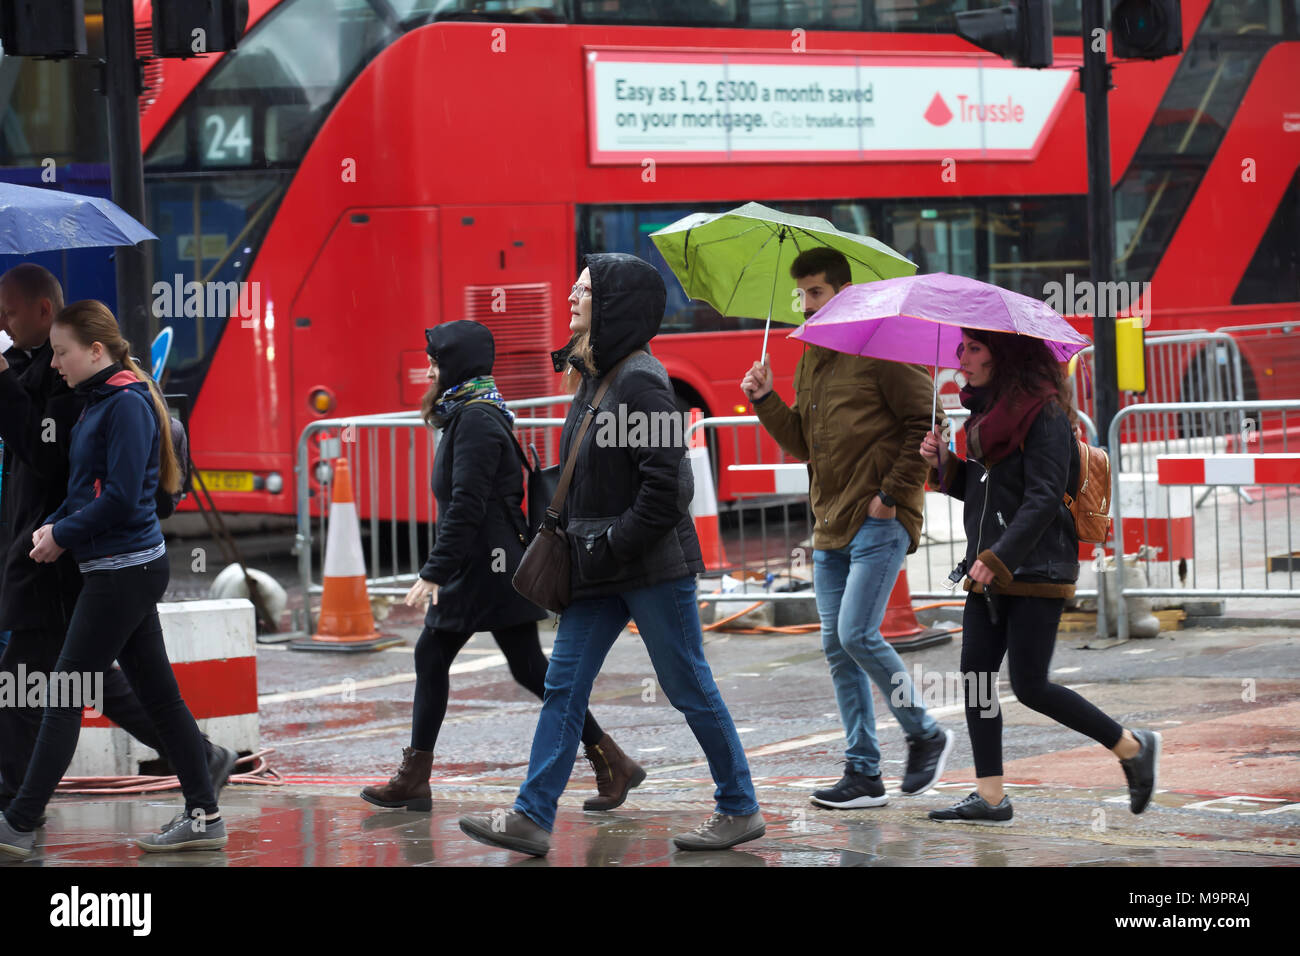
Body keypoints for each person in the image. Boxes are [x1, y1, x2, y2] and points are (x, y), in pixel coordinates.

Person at [459, 253, 764, 856]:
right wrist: (592, 547)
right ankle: (532, 816)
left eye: (584, 289)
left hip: (649, 568)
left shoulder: (641, 380)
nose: (570, 297)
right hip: (596, 566)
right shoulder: (598, 374)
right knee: (563, 687)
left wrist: (613, 544)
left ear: (616, 305)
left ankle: (739, 807)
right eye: (573, 286)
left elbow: (668, 490)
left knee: (687, 687)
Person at [361, 319, 643, 813]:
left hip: (485, 569)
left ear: (456, 364)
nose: (427, 369)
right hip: (490, 564)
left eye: (434, 360)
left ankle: (416, 777)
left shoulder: (474, 419)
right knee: (528, 669)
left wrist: (434, 571)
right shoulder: (472, 412)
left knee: (441, 656)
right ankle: (609, 759)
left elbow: (468, 506)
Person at [0, 267, 235, 828]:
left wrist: (59, 532)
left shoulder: (117, 402)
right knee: (134, 689)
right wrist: (55, 525)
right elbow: (79, 486)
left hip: (106, 569)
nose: (55, 362)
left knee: (51, 690)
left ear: (90, 347)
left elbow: (119, 494)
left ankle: (18, 815)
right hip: (93, 564)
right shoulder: (91, 393)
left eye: (62, 351)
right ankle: (203, 792)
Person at [919, 328, 1160, 825]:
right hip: (991, 566)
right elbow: (986, 492)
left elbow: (1044, 495)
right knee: (978, 679)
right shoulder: (985, 414)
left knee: (1030, 686)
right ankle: (990, 797)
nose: (962, 358)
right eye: (962, 348)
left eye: (974, 348)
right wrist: (944, 464)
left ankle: (1132, 747)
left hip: (1037, 567)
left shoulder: (1042, 412)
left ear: (1003, 355)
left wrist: (1000, 556)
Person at [740, 246, 953, 810]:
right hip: (828, 522)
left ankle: (925, 731)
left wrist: (890, 497)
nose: (805, 305)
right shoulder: (811, 353)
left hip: (876, 519)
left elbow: (927, 421)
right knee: (838, 647)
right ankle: (863, 772)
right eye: (801, 294)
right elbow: (802, 443)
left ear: (842, 291)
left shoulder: (880, 347)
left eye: (815, 293)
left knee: (857, 634)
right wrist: (765, 400)